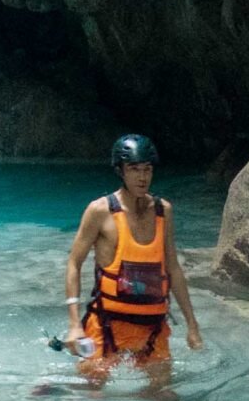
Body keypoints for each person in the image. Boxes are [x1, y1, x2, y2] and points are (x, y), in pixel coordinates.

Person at [63, 133, 202, 383]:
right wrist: (75, 324)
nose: (142, 177)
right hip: (107, 324)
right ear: (120, 171)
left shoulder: (163, 211)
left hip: (152, 327)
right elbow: (74, 262)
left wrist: (192, 324)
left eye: (147, 169)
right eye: (134, 169)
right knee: (91, 395)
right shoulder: (99, 211)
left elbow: (173, 268)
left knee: (164, 399)